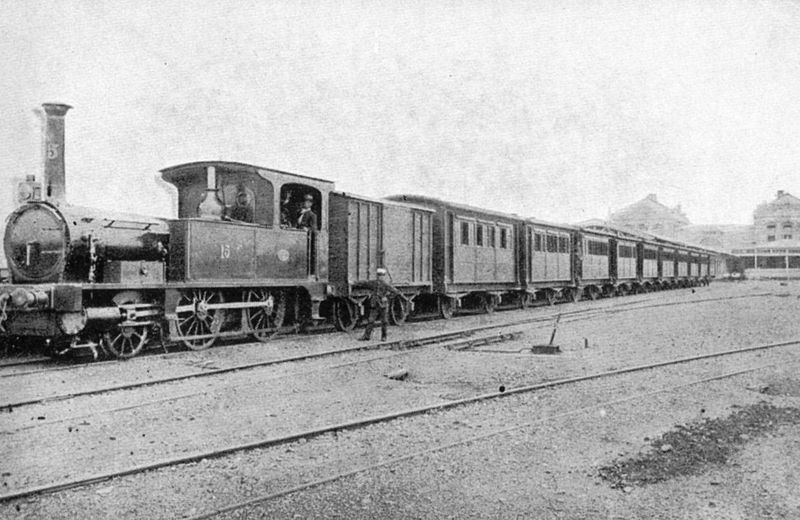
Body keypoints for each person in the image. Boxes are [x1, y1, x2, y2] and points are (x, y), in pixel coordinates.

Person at [358, 267, 404, 342]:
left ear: (383, 276)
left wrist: (387, 297)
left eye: (381, 275)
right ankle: (366, 336)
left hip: (383, 305)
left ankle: (384, 337)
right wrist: (354, 283)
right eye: (379, 275)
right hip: (375, 305)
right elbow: (364, 283)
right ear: (377, 276)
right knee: (371, 321)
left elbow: (396, 292)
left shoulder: (386, 284)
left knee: (384, 321)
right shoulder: (373, 283)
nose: (380, 277)